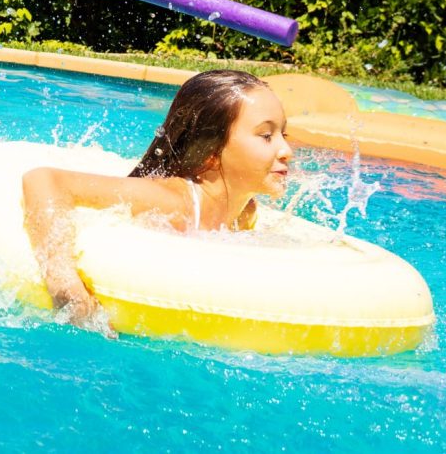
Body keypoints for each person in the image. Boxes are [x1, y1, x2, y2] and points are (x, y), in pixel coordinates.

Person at [21, 69, 293, 331]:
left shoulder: (245, 211)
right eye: (266, 136)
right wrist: (64, 285)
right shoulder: (172, 203)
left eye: (284, 134)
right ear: (210, 152)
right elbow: (44, 180)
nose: (286, 151)